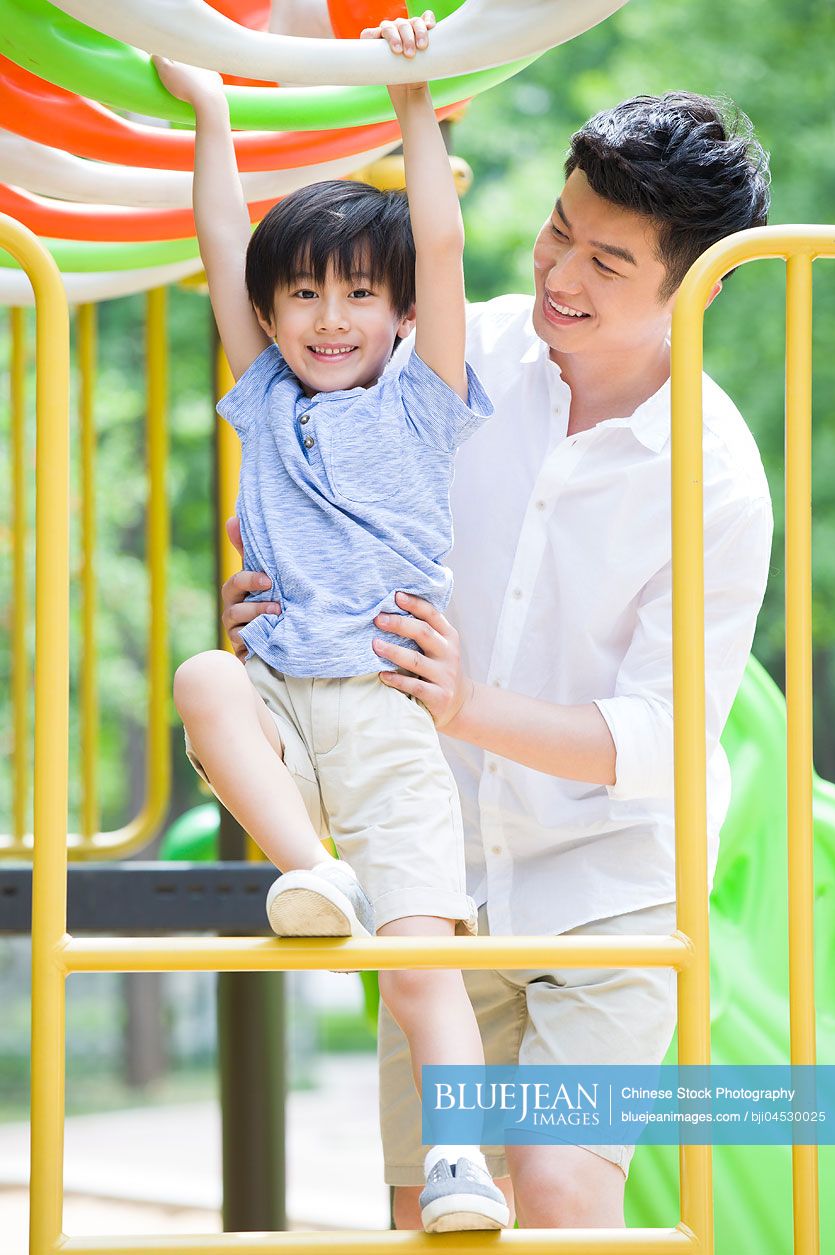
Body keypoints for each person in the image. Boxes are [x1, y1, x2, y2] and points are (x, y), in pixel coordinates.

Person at [221, 82, 774, 1229]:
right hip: (442, 865)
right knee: (430, 1210)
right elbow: (308, 461)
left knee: (564, 1190)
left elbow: (661, 740)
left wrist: (468, 702)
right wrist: (277, 578)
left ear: (692, 288)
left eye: (607, 264)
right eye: (559, 231)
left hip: (611, 883)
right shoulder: (452, 363)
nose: (559, 275)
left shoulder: (715, 476)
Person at [154, 14, 511, 1234]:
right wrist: (212, 114)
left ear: (402, 313)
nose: (328, 317)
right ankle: (314, 874)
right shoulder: (263, 397)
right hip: (285, 702)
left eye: (359, 293)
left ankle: (459, 1161)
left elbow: (445, 243)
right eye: (301, 295)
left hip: (382, 714)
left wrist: (413, 99)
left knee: (422, 965)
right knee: (205, 670)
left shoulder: (424, 404)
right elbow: (218, 244)